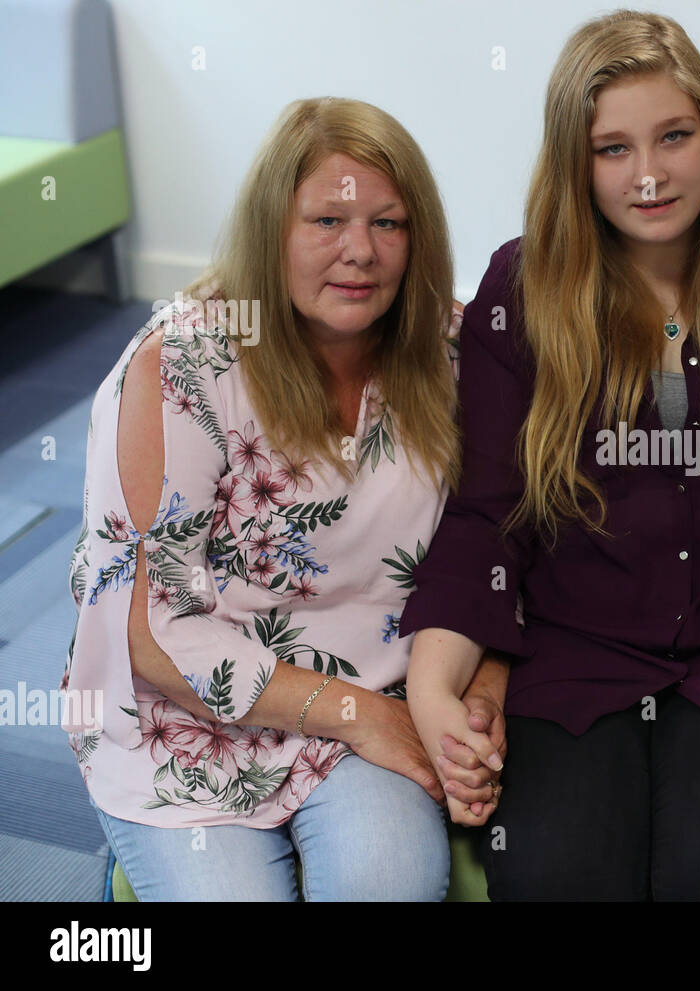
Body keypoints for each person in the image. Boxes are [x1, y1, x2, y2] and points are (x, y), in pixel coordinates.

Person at [400, 10, 700, 900]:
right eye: (613, 149)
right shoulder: (519, 291)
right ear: (576, 160)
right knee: (553, 872)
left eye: (674, 136)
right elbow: (490, 515)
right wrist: (432, 691)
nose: (649, 175)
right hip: (573, 654)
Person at [61, 96, 497, 901]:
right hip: (188, 720)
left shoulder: (451, 353)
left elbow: (498, 545)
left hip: (377, 691)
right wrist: (355, 714)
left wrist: (476, 686)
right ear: (274, 229)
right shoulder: (182, 367)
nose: (360, 251)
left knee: (390, 887)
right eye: (326, 221)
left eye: (389, 223)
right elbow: (153, 633)